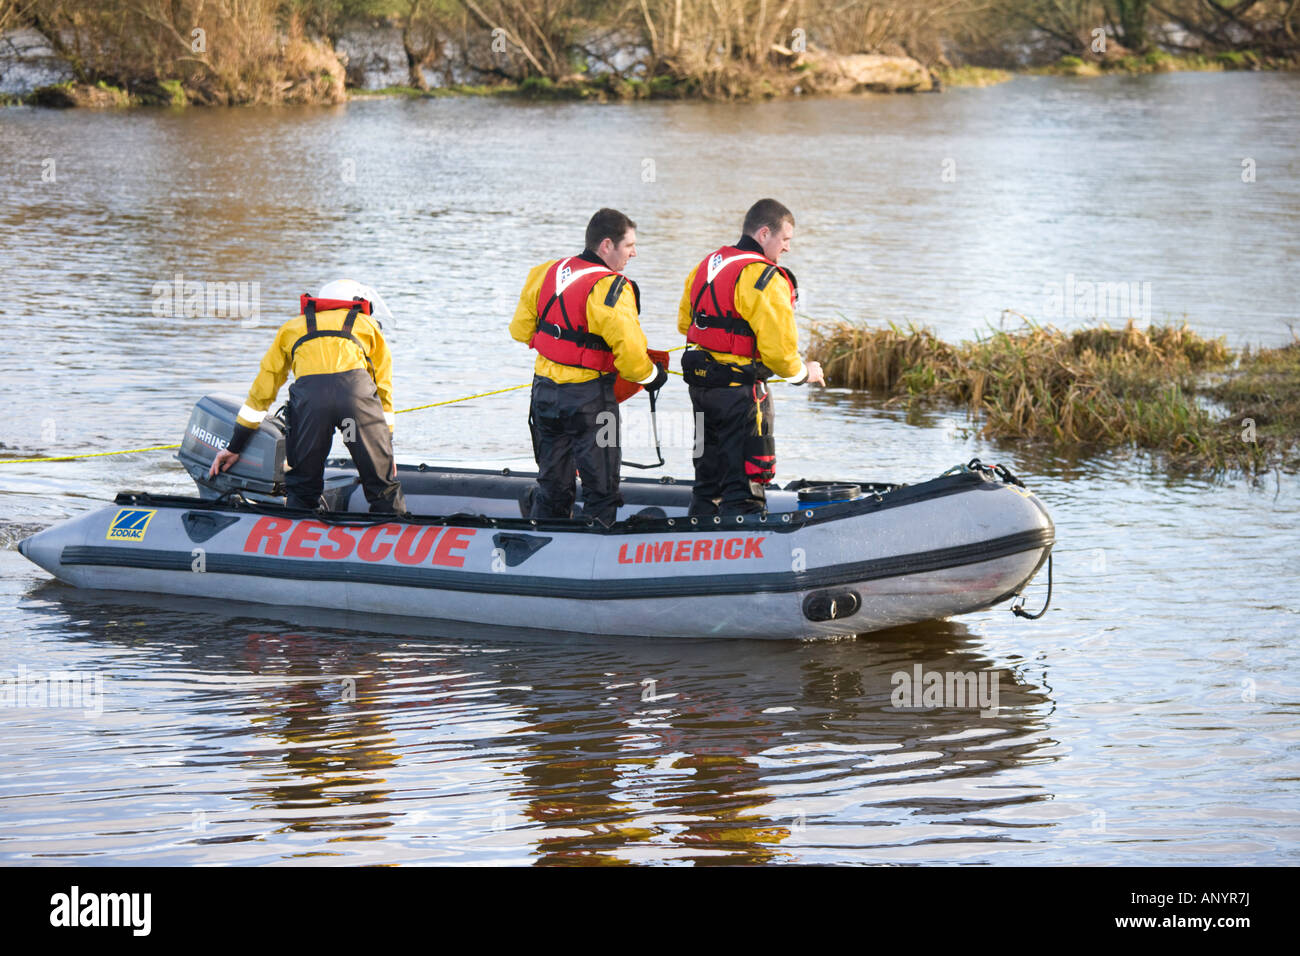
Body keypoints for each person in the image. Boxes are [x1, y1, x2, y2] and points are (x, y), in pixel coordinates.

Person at [509, 208, 668, 526]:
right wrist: (654, 377)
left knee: (553, 486)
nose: (634, 253)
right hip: (589, 401)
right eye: (629, 246)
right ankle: (595, 554)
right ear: (607, 245)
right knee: (602, 489)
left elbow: (519, 331)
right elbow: (633, 359)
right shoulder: (612, 288)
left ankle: (543, 542)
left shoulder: (546, 272)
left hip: (544, 395)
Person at [678, 198, 825, 516]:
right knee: (745, 486)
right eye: (785, 239)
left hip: (702, 390)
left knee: (707, 482)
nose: (786, 248)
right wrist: (805, 373)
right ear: (764, 234)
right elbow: (780, 354)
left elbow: (683, 323)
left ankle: (697, 546)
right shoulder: (766, 279)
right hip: (742, 396)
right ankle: (741, 550)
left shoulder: (707, 265)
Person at [209, 278, 407, 513]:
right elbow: (383, 389)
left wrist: (235, 445)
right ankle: (393, 529)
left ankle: (299, 528)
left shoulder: (291, 328)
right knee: (381, 486)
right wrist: (384, 447)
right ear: (355, 304)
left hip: (311, 405)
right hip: (355, 402)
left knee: (302, 486)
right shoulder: (368, 325)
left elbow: (263, 391)